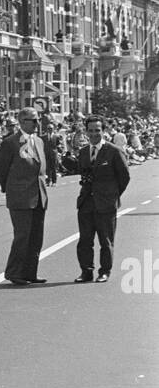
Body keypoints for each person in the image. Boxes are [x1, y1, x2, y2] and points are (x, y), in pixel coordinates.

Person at [0, 106, 49, 286]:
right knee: (22, 236)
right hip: (20, 197)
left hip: (39, 195)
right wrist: (11, 189)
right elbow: (1, 170)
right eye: (33, 120)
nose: (37, 123)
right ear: (22, 122)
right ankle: (14, 272)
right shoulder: (10, 143)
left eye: (38, 119)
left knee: (36, 237)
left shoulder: (39, 142)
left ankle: (30, 272)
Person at [74, 116, 130, 283]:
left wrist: (112, 194)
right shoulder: (84, 151)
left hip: (105, 203)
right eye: (90, 131)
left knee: (105, 240)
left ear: (103, 131)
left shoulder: (113, 151)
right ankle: (86, 271)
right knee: (84, 240)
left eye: (97, 130)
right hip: (86, 203)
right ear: (86, 131)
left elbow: (124, 177)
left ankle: (104, 271)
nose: (94, 134)